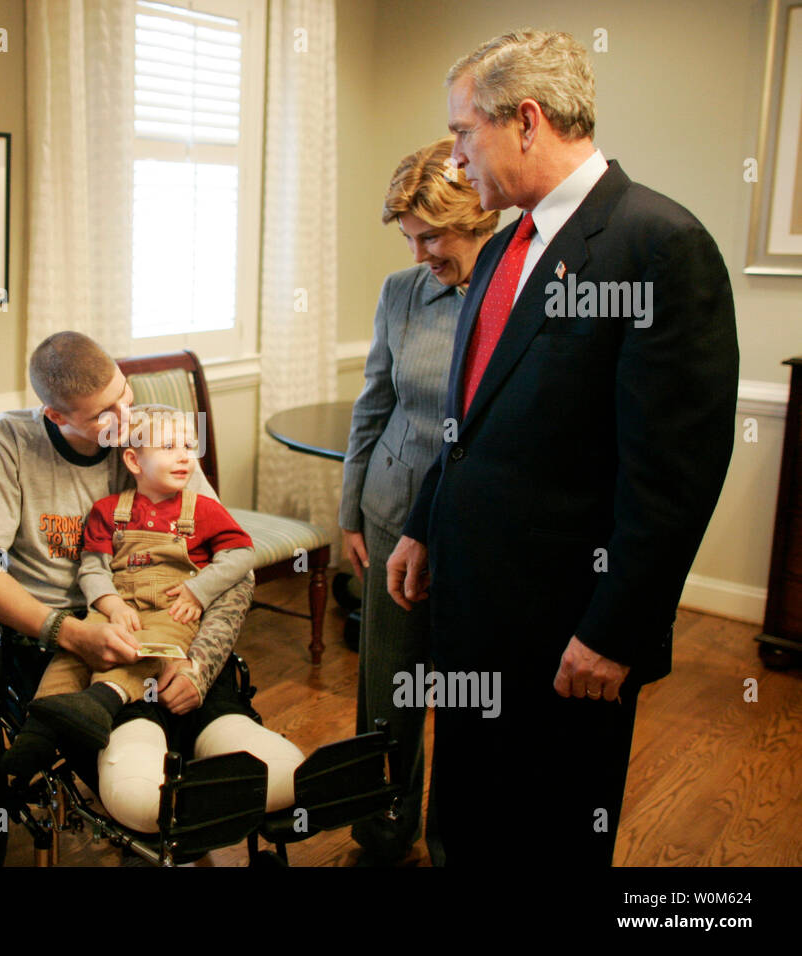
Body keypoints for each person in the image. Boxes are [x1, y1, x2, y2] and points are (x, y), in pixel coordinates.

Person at [385, 29, 738, 865]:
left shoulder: (659, 244)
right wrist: (426, 523)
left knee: (548, 833)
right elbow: (472, 418)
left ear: (527, 120)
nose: (458, 160)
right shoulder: (506, 244)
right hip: (475, 614)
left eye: (465, 133)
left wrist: (617, 632)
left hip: (568, 633)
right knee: (466, 819)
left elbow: (674, 474)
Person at [0, 332, 303, 833]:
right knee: (130, 754)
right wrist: (72, 634)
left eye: (125, 396)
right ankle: (152, 795)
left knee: (216, 715)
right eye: (101, 415)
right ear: (57, 416)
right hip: (64, 631)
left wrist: (200, 666)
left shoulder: (153, 433)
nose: (124, 422)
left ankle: (236, 763)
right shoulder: (9, 442)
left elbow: (232, 567)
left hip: (169, 620)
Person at [339, 136, 497, 866]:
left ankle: (455, 841)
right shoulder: (402, 294)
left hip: (477, 529)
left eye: (431, 235)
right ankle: (383, 827)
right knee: (390, 692)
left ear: (477, 212)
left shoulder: (513, 292)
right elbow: (374, 402)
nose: (421, 253)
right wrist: (349, 512)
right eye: (411, 239)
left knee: (468, 694)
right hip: (392, 504)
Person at [3, 405, 255, 778]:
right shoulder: (108, 511)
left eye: (188, 445)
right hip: (118, 603)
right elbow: (92, 567)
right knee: (72, 655)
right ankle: (38, 733)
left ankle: (102, 701)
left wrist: (199, 591)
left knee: (149, 651)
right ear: (134, 461)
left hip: (171, 610)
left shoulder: (202, 510)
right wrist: (111, 604)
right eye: (169, 446)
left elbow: (242, 554)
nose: (185, 455)